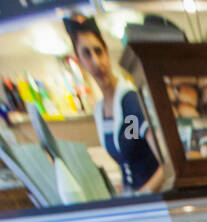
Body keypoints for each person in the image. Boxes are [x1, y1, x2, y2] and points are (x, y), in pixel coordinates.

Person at [63, 14, 164, 196]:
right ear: (79, 60)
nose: (96, 61)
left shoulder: (130, 103)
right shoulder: (100, 110)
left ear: (107, 53)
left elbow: (165, 164)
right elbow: (130, 154)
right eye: (87, 53)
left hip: (152, 202)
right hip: (132, 200)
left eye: (98, 51)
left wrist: (142, 195)